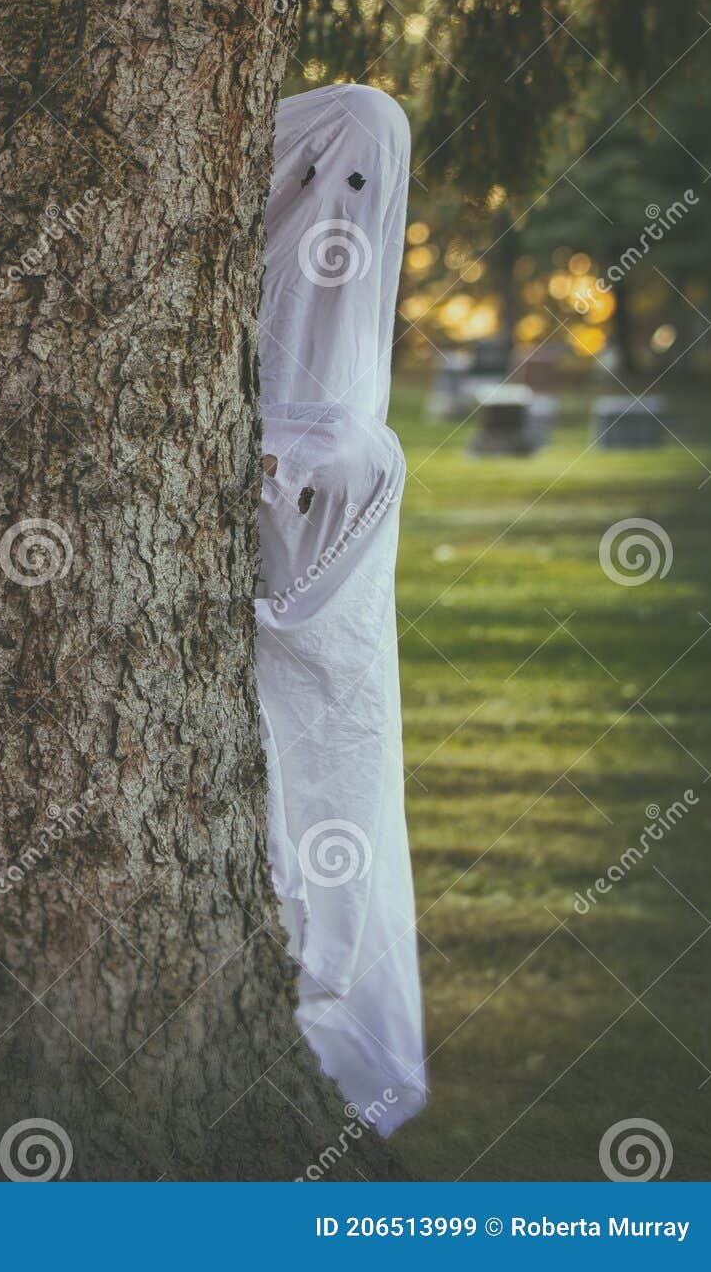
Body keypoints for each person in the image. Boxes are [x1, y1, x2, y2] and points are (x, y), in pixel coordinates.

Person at [256, 82, 426, 1134]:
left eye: (357, 182)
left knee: (331, 844)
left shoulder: (355, 435)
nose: (330, 215)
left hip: (324, 687)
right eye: (310, 177)